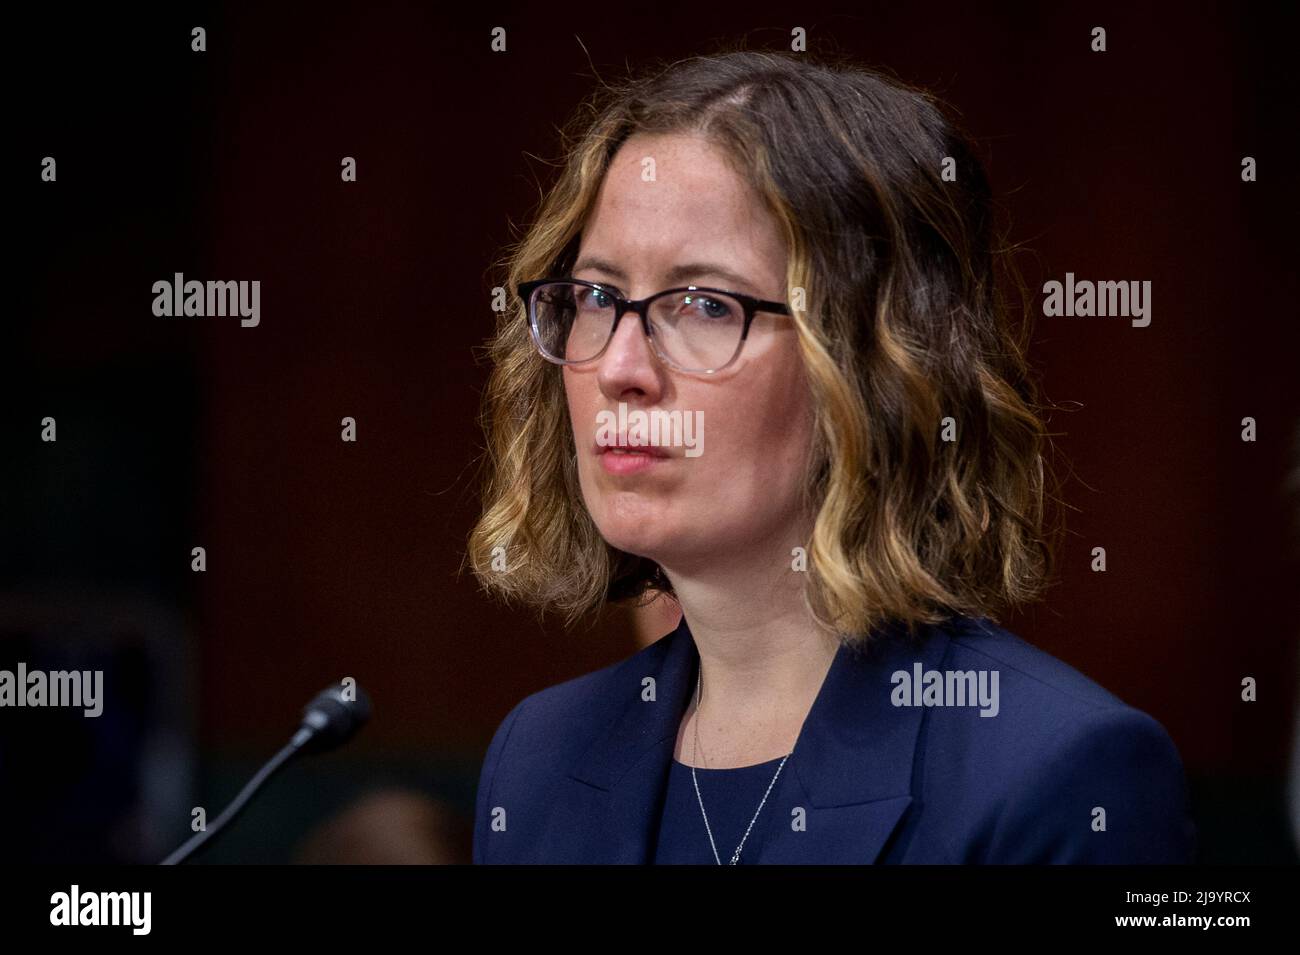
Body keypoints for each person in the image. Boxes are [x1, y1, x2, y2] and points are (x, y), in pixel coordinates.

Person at [465, 48, 1196, 864]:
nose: (619, 369)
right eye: (598, 297)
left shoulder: (1062, 774)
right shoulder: (535, 761)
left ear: (872, 368)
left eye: (704, 304)